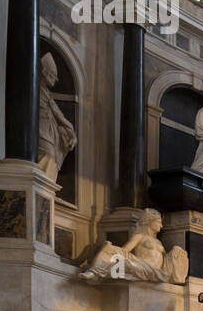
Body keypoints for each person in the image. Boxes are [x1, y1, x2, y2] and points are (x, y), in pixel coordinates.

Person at [78, 208, 188, 284]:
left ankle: (98, 271)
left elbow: (167, 262)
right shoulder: (139, 236)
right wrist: (110, 248)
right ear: (149, 222)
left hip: (153, 270)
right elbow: (124, 251)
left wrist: (176, 253)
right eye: (158, 222)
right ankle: (94, 272)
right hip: (141, 263)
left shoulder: (159, 242)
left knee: (127, 264)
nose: (161, 225)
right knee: (111, 250)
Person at [37, 53, 76, 183]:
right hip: (40, 130)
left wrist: (71, 132)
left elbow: (60, 115)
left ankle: (45, 193)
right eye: (53, 74)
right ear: (45, 72)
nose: (56, 79)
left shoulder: (47, 94)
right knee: (48, 155)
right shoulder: (34, 89)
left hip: (49, 131)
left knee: (51, 158)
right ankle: (42, 191)